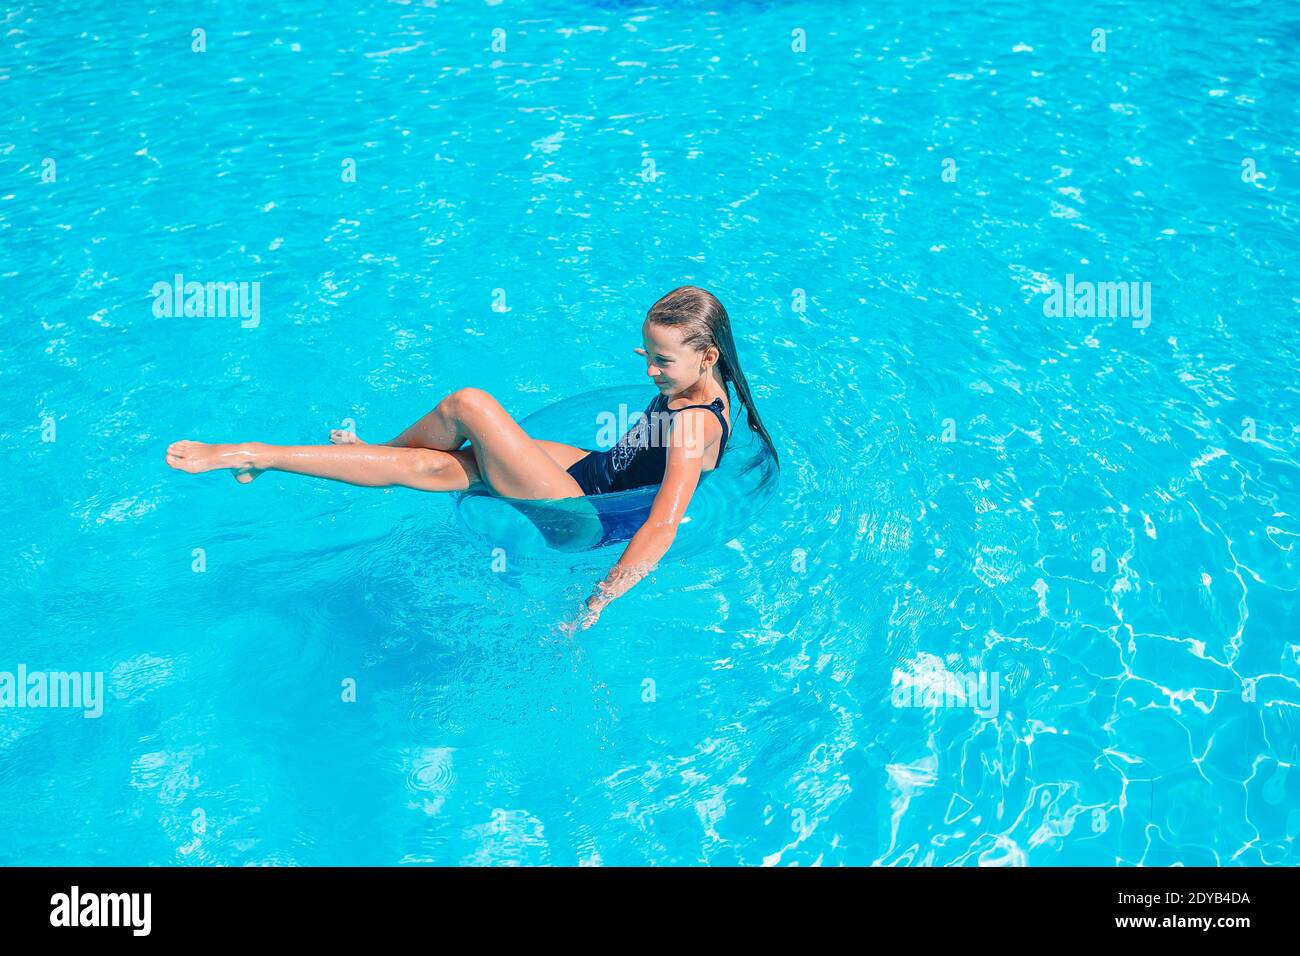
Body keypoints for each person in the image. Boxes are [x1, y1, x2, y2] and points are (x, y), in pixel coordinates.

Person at [165, 285, 779, 629]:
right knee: (436, 466)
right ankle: (259, 456)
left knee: (470, 405)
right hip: (591, 472)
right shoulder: (699, 386)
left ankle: (272, 452)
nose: (648, 371)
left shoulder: (695, 425)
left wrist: (602, 595)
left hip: (584, 516)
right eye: (644, 354)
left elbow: (665, 521)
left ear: (706, 356)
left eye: (661, 361)